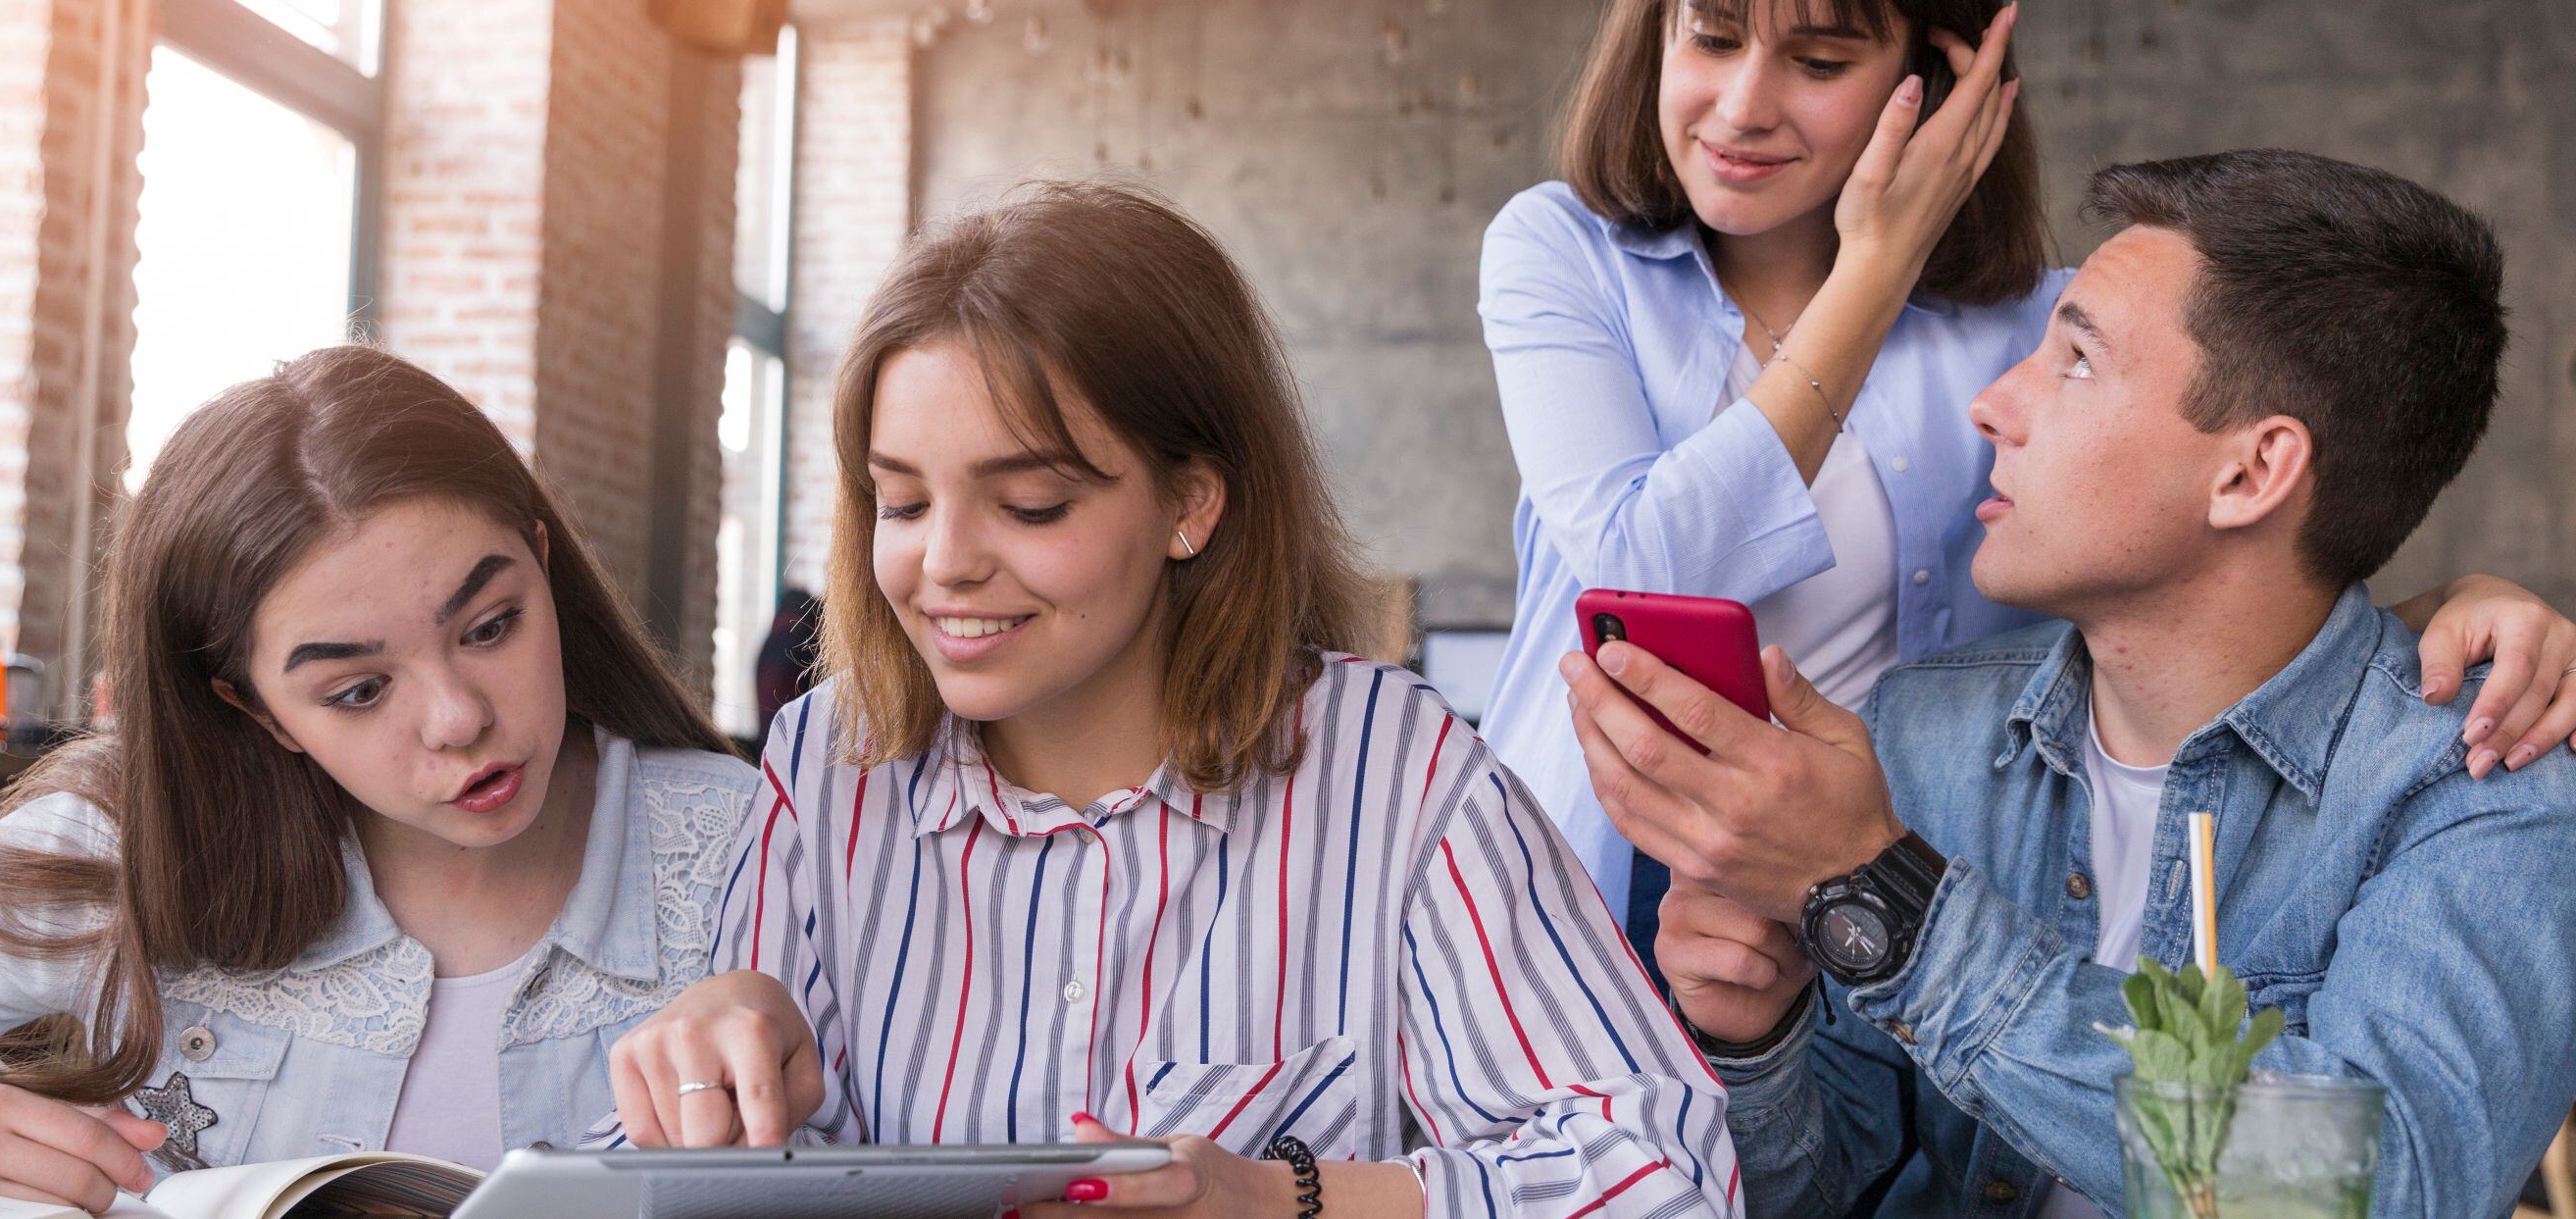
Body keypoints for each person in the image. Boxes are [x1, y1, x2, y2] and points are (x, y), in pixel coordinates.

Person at [601, 181, 1744, 1217]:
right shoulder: (823, 768)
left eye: (1031, 505)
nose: (942, 564)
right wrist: (720, 1054)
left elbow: (1666, 1176)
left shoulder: (1397, 773)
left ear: (1191, 504)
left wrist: (1283, 1198)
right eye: (899, 504)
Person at [1560, 149, 2576, 1217]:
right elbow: (1817, 1188)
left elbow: (2386, 1186)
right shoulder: (1920, 731)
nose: (1993, 406)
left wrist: (1892, 909)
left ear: (2250, 473)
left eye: (2076, 360)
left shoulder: (2481, 786)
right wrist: (1753, 1040)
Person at [1480, 0, 2576, 983]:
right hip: (1581, 878)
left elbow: (2231, 576)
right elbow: (1635, 572)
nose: (1741, 104)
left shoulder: (2040, 333)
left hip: (1883, 897)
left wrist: (2450, 612)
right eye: (1710, 37)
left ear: (1939, 81)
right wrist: (1874, 270)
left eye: (1816, 60)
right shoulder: (1565, 254)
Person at [0, 347, 756, 1211]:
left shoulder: (754, 850)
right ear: (254, 708)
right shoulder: (120, 848)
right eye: (361, 690)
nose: (458, 719)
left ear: (543, 563)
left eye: (491, 626)